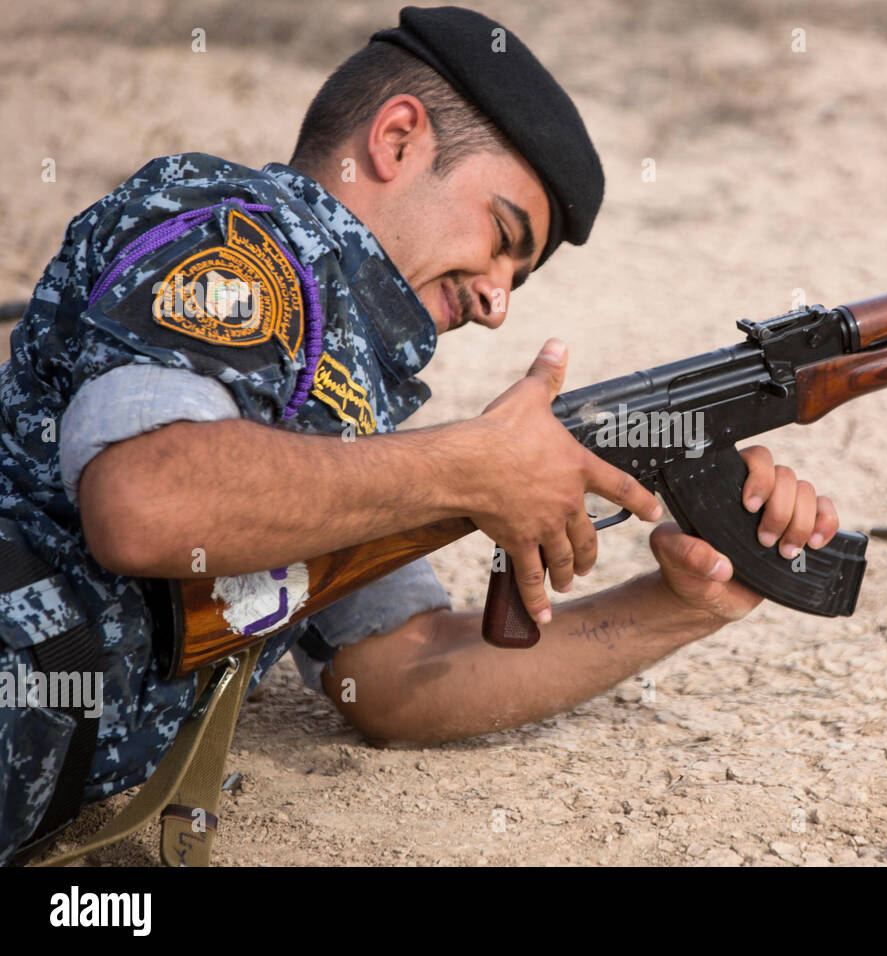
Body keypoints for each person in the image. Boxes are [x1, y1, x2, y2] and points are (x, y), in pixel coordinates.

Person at [0, 5, 839, 864]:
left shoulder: (346, 379)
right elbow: (146, 498)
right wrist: (466, 467)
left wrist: (681, 607)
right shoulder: (236, 235)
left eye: (518, 276)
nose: (496, 302)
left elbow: (397, 674)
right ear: (397, 140)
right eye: (503, 238)